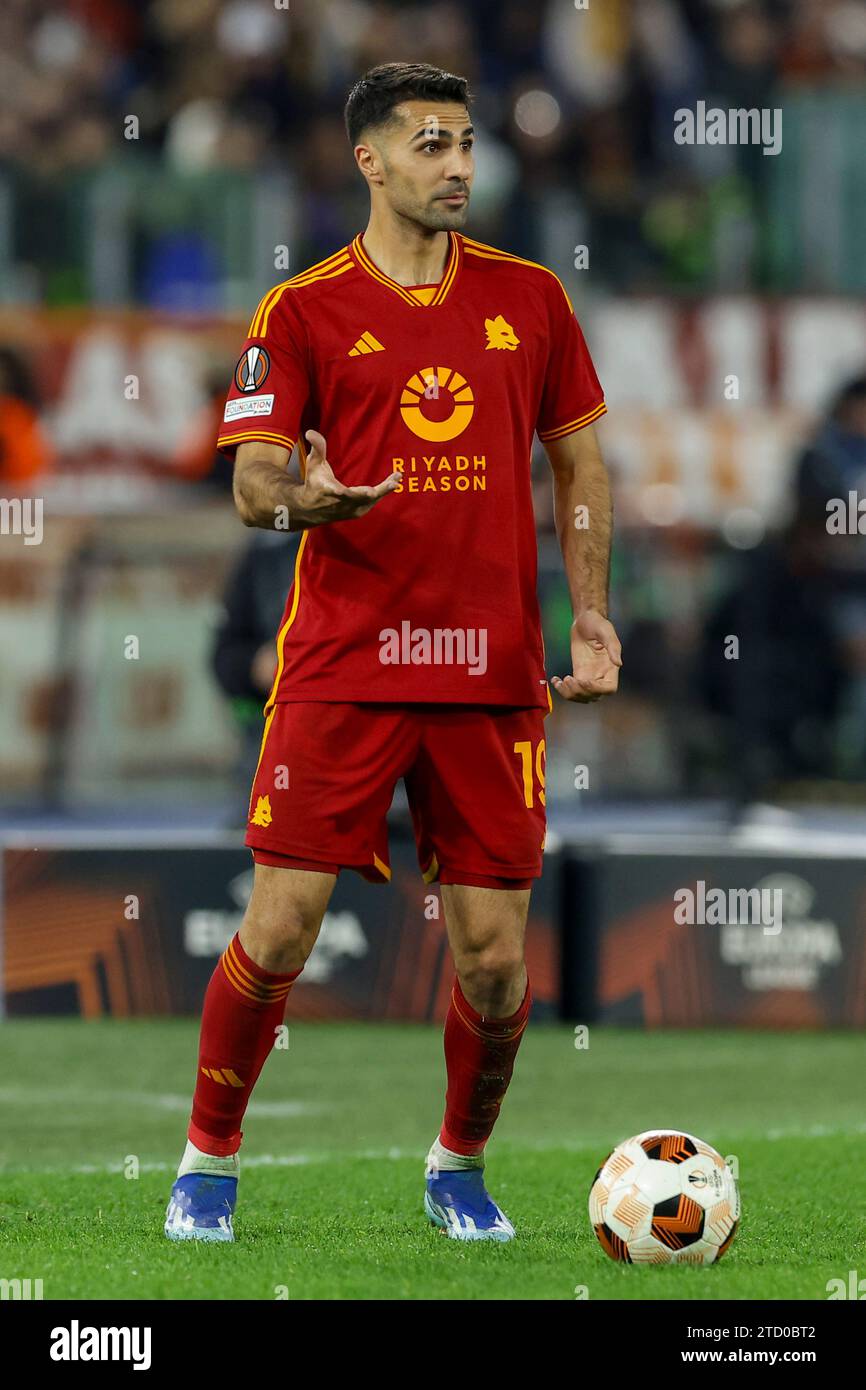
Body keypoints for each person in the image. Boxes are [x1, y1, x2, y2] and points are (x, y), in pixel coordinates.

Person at [165, 62, 621, 1245]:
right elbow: (250, 477)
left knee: (492, 969)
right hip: (344, 662)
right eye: (430, 145)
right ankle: (206, 1164)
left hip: (488, 676)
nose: (459, 164)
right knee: (279, 927)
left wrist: (587, 611)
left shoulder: (530, 301)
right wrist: (294, 503)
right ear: (368, 161)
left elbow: (578, 461)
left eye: (464, 143)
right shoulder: (303, 310)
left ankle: (457, 1166)